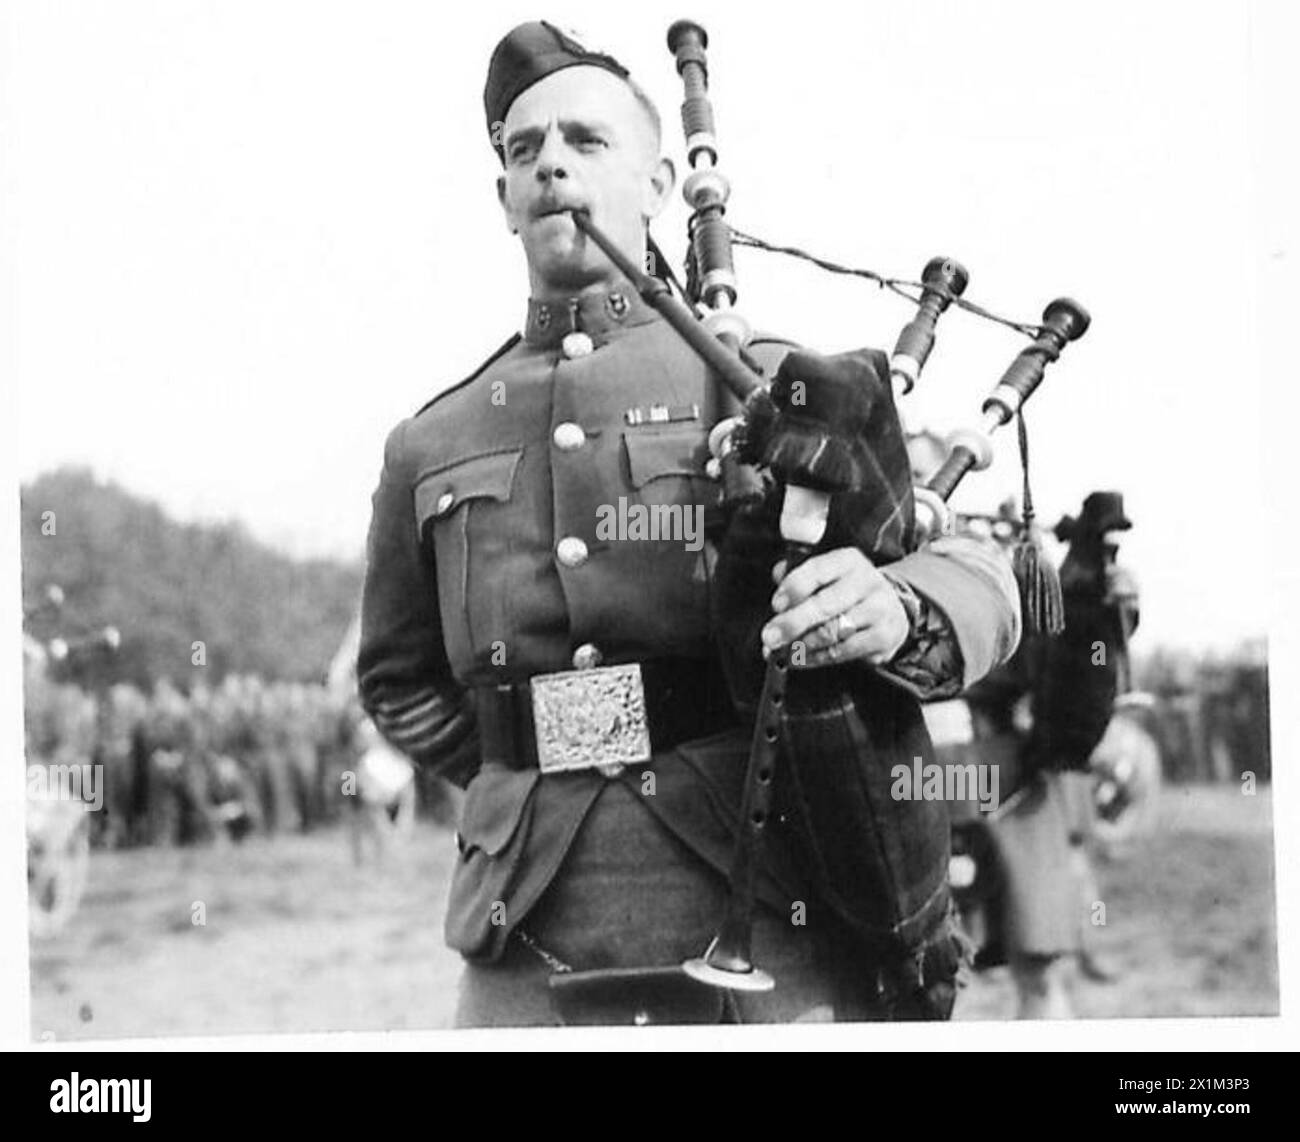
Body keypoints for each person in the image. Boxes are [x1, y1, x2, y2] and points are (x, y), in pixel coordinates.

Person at [358, 20, 1020, 1026]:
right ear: (502, 199)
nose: (551, 168)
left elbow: (977, 568)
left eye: (585, 142)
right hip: (523, 935)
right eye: (523, 150)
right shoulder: (429, 439)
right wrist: (523, 785)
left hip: (758, 901)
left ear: (659, 184)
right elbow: (398, 677)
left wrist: (892, 606)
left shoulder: (770, 384)